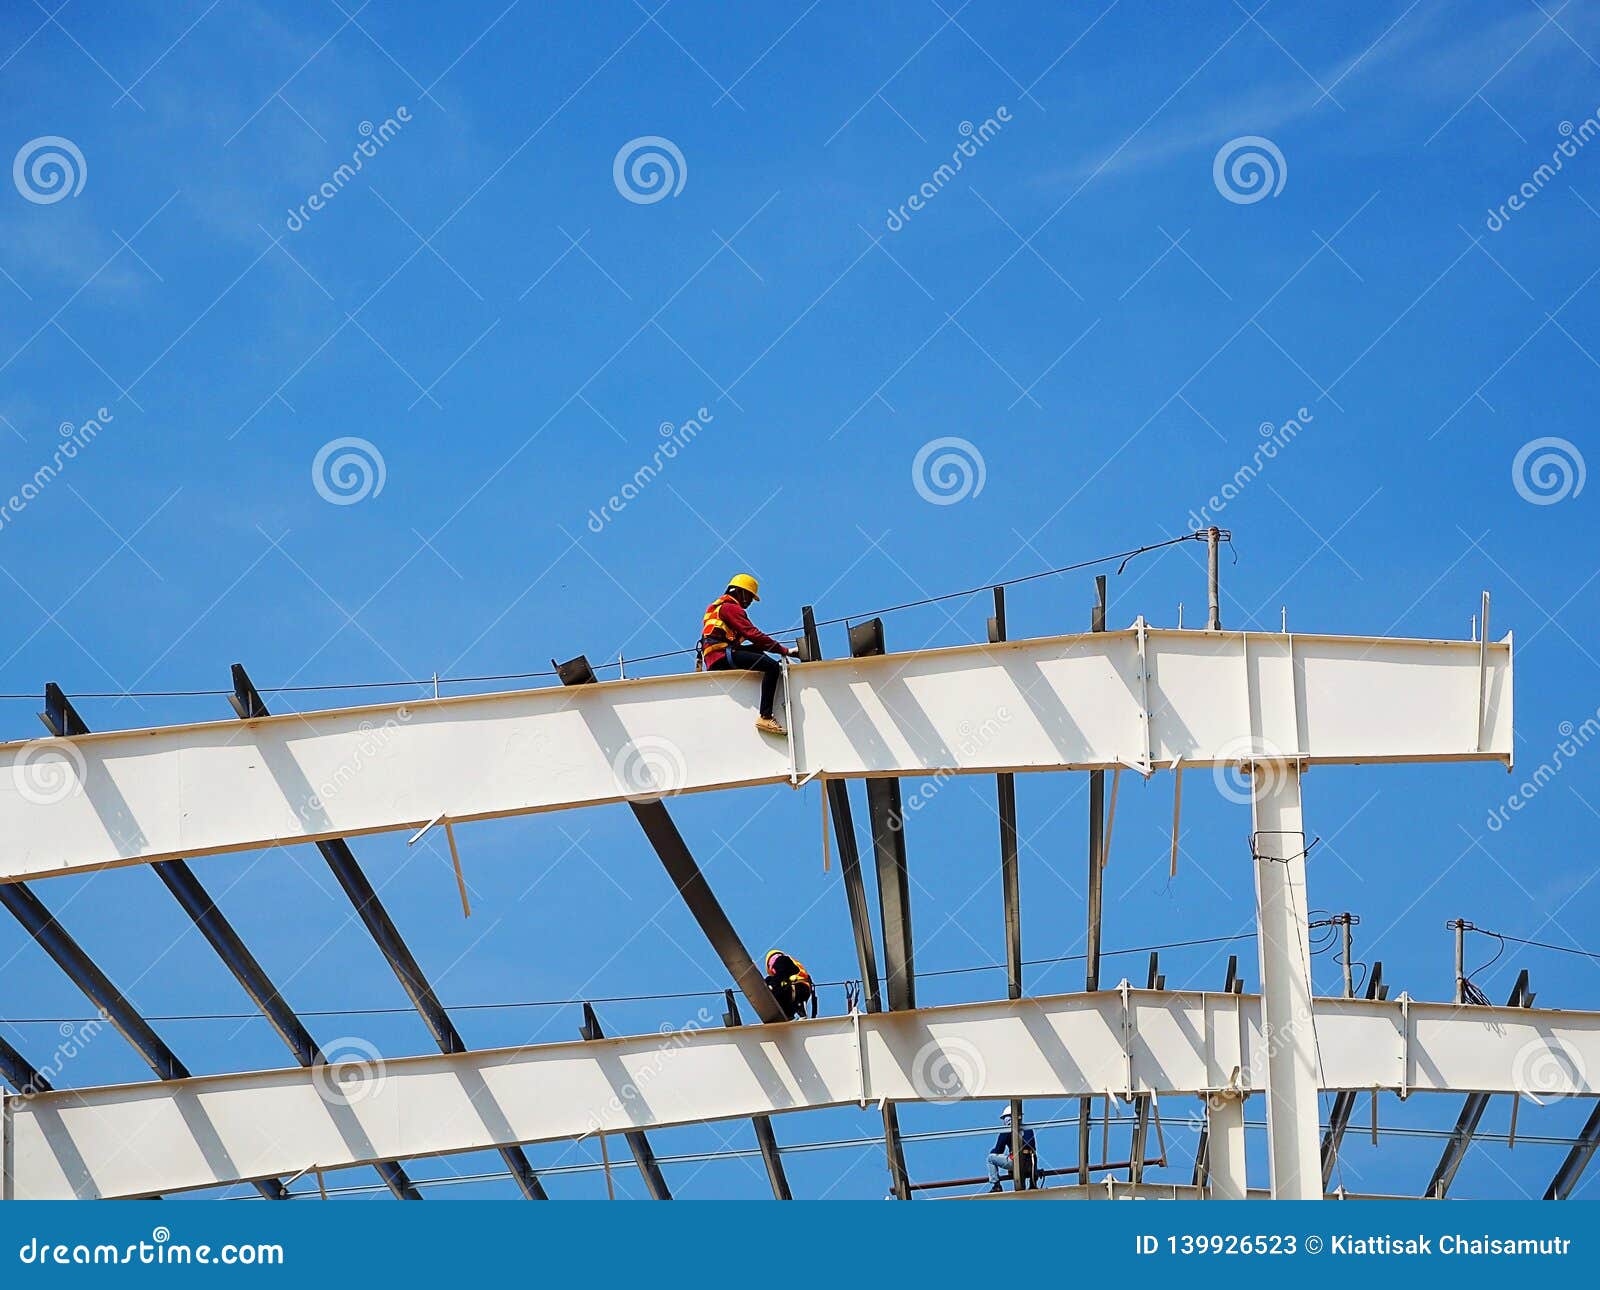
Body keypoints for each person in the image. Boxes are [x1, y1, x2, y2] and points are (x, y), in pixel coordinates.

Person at [698, 573, 797, 735]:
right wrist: (785, 650)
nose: (750, 602)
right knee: (772, 667)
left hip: (720, 654)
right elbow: (753, 634)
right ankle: (765, 716)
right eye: (750, 597)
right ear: (740, 592)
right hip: (722, 656)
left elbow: (757, 642)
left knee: (759, 651)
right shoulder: (730, 608)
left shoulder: (722, 607)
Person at [985, 1107, 1036, 1192]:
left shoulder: (1007, 1130)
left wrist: (993, 1151)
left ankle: (996, 1185)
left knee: (990, 1158)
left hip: (1016, 1162)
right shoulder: (1029, 1129)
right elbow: (1033, 1149)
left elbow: (998, 1150)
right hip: (1030, 1164)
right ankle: (1032, 1183)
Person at [764, 949, 816, 1020]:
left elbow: (780, 974)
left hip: (795, 988)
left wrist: (771, 986)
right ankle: (793, 1012)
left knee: (769, 981)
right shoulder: (791, 962)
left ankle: (791, 1011)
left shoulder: (781, 960)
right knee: (787, 1005)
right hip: (803, 989)